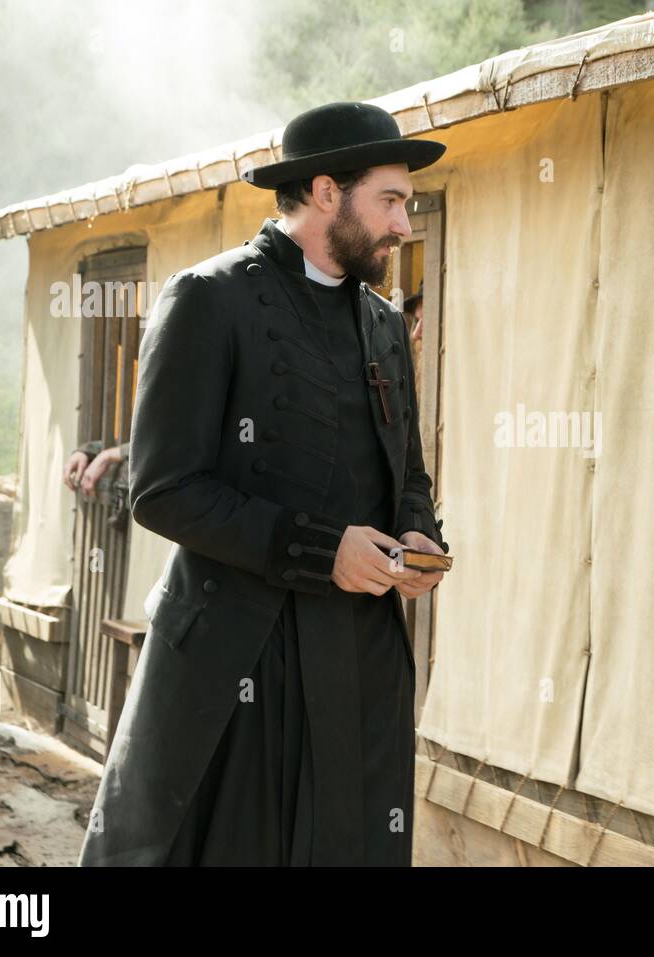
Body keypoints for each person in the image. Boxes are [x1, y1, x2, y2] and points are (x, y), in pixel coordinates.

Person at [78, 101, 449, 866]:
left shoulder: (383, 324)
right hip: (240, 655)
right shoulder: (209, 298)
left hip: (359, 655)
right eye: (390, 200)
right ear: (324, 193)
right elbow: (163, 487)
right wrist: (322, 550)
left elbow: (406, 466)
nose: (403, 226)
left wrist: (418, 531)